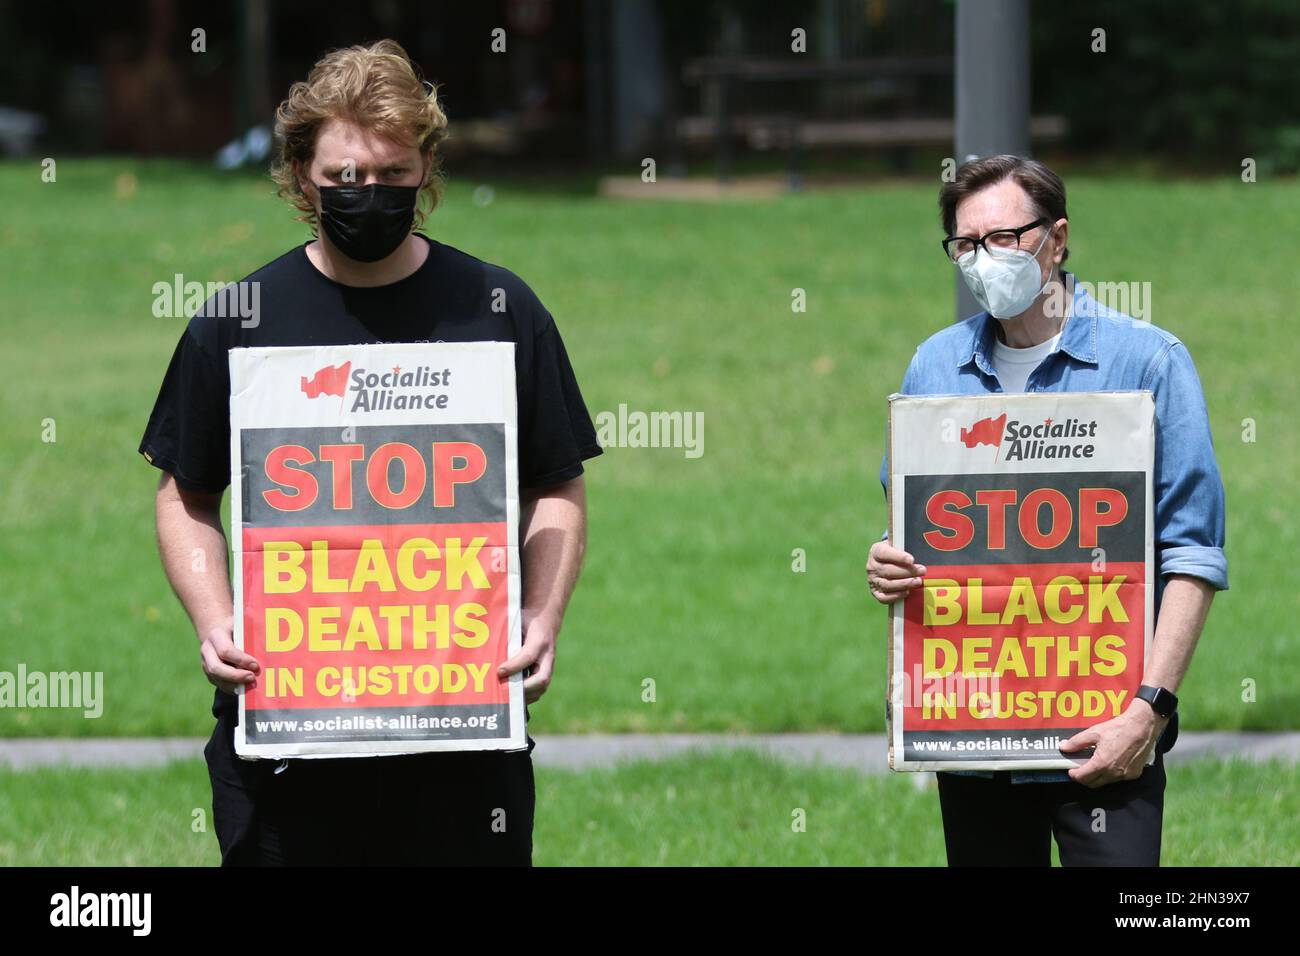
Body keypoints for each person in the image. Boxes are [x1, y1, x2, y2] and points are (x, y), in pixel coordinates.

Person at [138, 40, 601, 865]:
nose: (369, 196)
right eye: (346, 177)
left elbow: (557, 484)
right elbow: (186, 492)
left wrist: (540, 617)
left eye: (392, 176)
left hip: (460, 739)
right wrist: (216, 623)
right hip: (287, 737)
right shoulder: (238, 320)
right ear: (299, 171)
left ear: (427, 170)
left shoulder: (498, 308)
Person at [865, 155, 1227, 866]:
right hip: (972, 727)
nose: (983, 259)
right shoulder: (934, 368)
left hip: (1107, 727)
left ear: (1057, 239)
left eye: (1004, 238)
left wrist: (1148, 710)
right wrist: (887, 562)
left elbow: (1191, 555)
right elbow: (917, 529)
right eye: (966, 244)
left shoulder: (1149, 363)